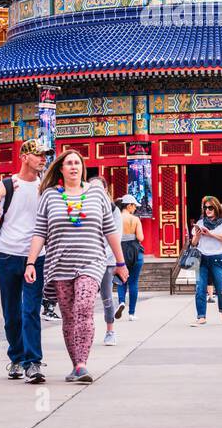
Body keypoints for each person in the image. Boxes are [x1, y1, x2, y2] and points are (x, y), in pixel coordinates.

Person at [25, 151, 128, 384]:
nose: (73, 166)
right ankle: (75, 365)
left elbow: (109, 229)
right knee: (69, 316)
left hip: (91, 261)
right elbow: (40, 231)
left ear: (83, 168)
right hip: (59, 264)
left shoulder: (96, 193)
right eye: (69, 163)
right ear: (60, 169)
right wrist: (31, 262)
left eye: (77, 163)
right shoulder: (50, 196)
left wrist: (120, 263)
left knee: (83, 307)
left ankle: (82, 364)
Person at [0, 138, 50, 384]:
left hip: (35, 256)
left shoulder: (46, 188)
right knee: (12, 313)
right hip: (8, 253)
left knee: (30, 309)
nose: (43, 159)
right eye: (38, 155)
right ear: (24, 157)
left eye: (45, 155)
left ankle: (33, 362)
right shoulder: (8, 185)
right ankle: (16, 357)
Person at [88, 177, 125, 346]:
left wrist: (112, 259)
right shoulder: (83, 206)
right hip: (86, 258)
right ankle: (84, 331)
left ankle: (110, 331)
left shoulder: (113, 210)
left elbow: (115, 236)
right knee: (85, 298)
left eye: (99, 188)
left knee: (106, 296)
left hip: (106, 259)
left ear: (105, 190)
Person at [191, 196, 222, 325]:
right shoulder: (201, 222)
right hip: (202, 258)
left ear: (216, 208)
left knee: (220, 288)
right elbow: (193, 243)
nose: (207, 210)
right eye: (205, 208)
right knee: (200, 287)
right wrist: (197, 235)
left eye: (210, 207)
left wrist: (210, 234)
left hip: (218, 258)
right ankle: (201, 316)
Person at [115, 194, 145, 320]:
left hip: (120, 251)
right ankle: (132, 313)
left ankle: (121, 301)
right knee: (133, 282)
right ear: (129, 205)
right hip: (135, 252)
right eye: (134, 206)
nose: (135, 209)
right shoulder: (135, 219)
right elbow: (140, 238)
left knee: (122, 281)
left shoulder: (116, 218)